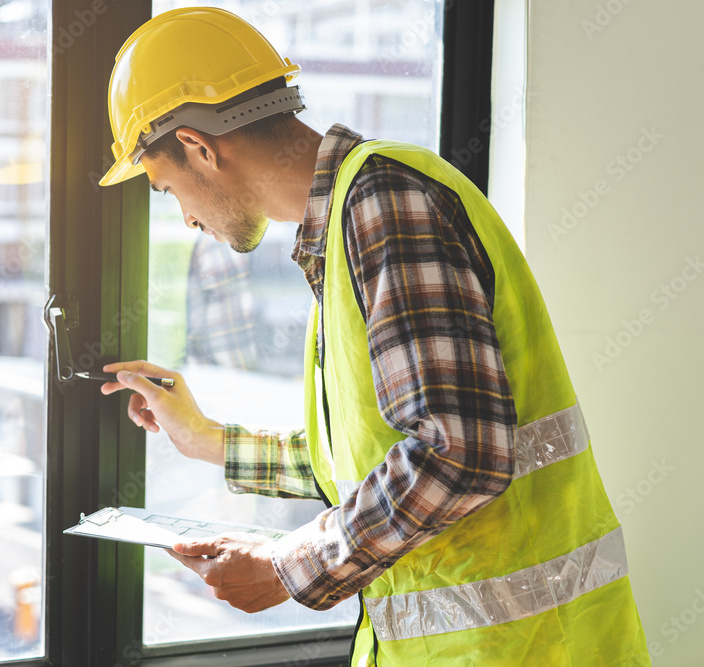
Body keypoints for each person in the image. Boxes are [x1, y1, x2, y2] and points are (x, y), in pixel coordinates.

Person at [98, 7, 651, 666]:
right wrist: (207, 440)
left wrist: (287, 566)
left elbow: (459, 453)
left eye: (166, 189)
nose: (186, 218)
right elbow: (373, 458)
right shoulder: (341, 230)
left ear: (198, 145)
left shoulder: (385, 201)